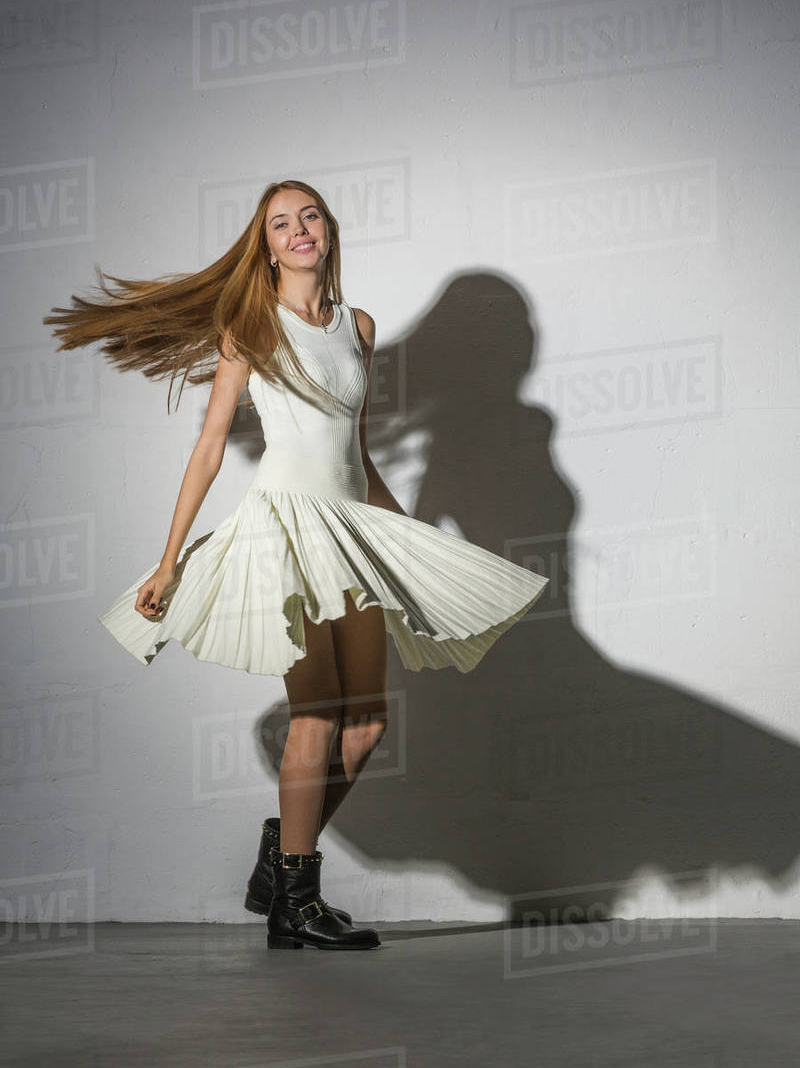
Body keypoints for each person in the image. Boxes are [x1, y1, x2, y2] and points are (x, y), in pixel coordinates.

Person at [43, 179, 549, 951]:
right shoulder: (250, 326)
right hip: (285, 531)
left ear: (327, 230)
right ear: (268, 245)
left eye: (308, 215)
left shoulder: (359, 326)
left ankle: (282, 859)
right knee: (316, 714)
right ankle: (298, 904)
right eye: (281, 223)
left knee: (369, 723)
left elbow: (356, 448)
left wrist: (406, 541)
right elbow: (212, 443)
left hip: (352, 533)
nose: (298, 229)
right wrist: (169, 559)